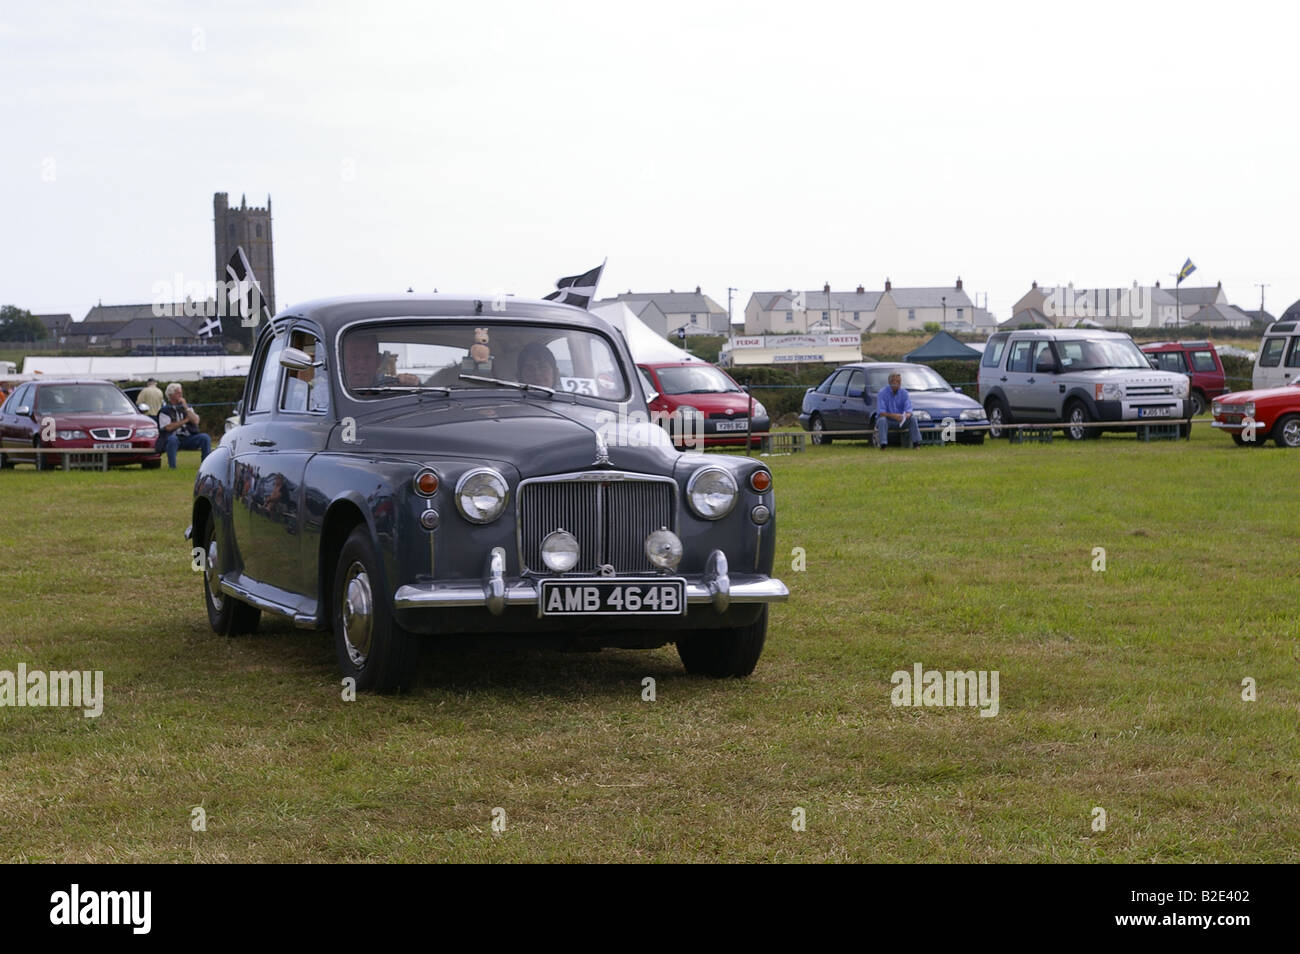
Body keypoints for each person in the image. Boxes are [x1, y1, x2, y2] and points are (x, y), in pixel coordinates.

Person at [158, 382, 211, 469]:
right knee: (172, 439)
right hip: (173, 437)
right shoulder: (165, 411)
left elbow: (196, 421)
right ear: (170, 395)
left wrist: (186, 407)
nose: (181, 395)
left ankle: (205, 466)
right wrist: (185, 420)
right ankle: (172, 467)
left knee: (205, 437)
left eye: (181, 393)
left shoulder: (187, 407)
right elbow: (168, 427)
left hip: (188, 437)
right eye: (178, 393)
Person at [342, 333, 419, 390]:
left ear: (378, 361)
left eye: (367, 357)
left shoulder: (392, 387)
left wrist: (412, 383)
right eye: (354, 357)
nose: (361, 364)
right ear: (342, 361)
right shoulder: (331, 392)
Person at [875, 372, 922, 449]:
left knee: (912, 418)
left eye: (899, 381)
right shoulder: (882, 393)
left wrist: (906, 415)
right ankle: (883, 445)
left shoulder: (905, 393)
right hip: (888, 421)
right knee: (882, 420)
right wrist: (894, 416)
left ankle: (916, 444)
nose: (898, 384)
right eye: (895, 381)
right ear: (890, 382)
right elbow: (881, 412)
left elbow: (909, 410)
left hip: (901, 421)